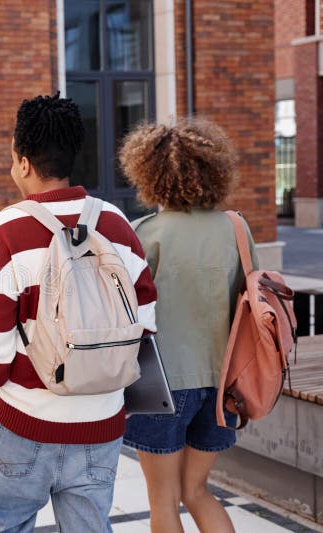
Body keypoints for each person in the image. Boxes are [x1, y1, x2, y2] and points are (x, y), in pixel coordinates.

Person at [0, 93, 157, 533]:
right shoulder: (117, 225)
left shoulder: (6, 230)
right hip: (101, 422)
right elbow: (145, 321)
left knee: (4, 524)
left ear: (23, 160)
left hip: (25, 420)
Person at [119, 118, 252, 533]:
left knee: (163, 503)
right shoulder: (236, 228)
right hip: (223, 386)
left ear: (148, 174)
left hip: (161, 388)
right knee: (197, 491)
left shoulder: (143, 234)